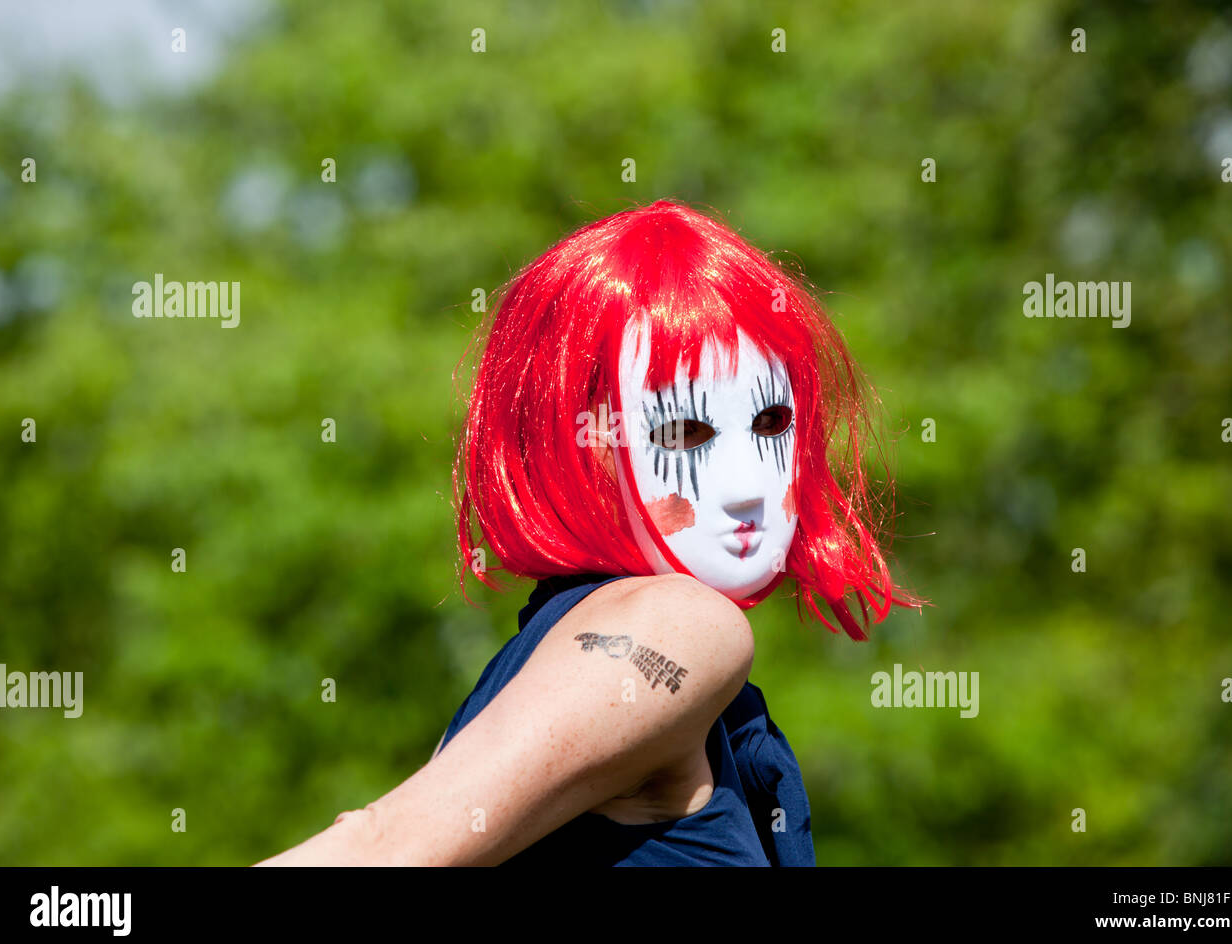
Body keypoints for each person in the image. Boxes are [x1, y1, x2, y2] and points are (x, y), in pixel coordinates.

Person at [256, 198, 918, 866]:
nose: (748, 483)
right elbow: (380, 845)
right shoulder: (682, 624)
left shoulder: (573, 655)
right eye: (683, 431)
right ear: (581, 445)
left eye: (772, 421)